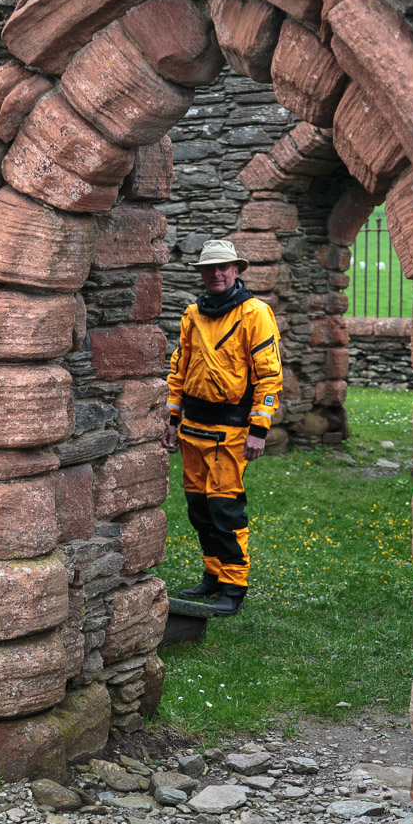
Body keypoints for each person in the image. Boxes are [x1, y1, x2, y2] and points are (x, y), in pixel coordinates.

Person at [161, 239, 283, 616]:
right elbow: (179, 368)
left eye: (223, 268)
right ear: (201, 272)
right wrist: (172, 418)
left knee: (225, 509)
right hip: (193, 430)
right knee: (199, 509)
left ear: (236, 271)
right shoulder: (192, 314)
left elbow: (269, 376)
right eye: (208, 268)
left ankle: (234, 584)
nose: (216, 274)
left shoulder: (255, 313)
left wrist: (258, 429)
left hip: (231, 433)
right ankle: (213, 575)